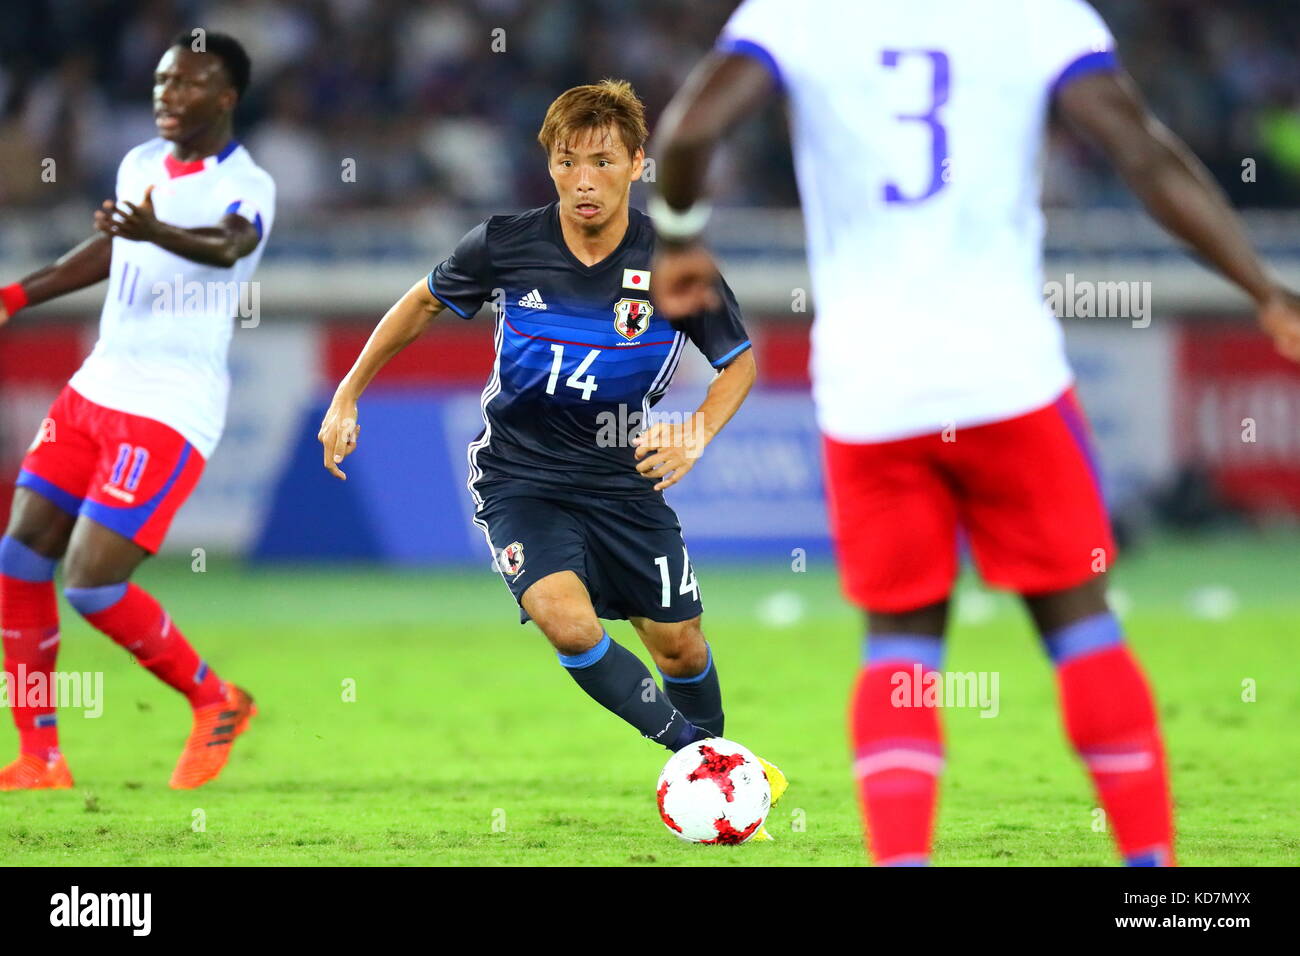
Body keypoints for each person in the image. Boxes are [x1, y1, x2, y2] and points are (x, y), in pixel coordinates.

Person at [647, 0, 1300, 865]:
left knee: (902, 647)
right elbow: (1141, 150)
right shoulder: (1039, 13)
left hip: (871, 388)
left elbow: (690, 129)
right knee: (1082, 630)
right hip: (1008, 375)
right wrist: (1261, 287)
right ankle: (1156, 883)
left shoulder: (796, 13)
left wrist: (682, 239)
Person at [317, 80, 785, 841]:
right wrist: (348, 393)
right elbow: (424, 301)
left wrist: (697, 429)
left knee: (680, 644)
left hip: (624, 482)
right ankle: (713, 770)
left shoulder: (674, 262)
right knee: (563, 622)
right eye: (567, 162)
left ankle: (719, 768)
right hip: (521, 477)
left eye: (602, 162)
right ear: (551, 168)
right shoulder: (507, 242)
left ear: (639, 165)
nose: (583, 180)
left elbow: (737, 365)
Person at [0, 32, 275, 791]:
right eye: (160, 81)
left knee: (91, 581)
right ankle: (40, 756)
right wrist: (17, 296)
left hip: (168, 406)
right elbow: (110, 250)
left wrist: (151, 229)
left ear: (224, 98)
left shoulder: (248, 183)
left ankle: (215, 698)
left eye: (186, 84)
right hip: (97, 387)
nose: (166, 95)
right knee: (19, 556)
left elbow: (228, 245)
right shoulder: (140, 165)